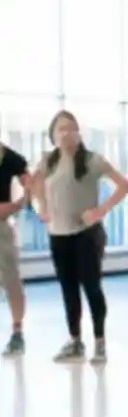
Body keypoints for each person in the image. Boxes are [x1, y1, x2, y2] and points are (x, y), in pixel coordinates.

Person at [28, 111, 128, 364]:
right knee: (68, 289)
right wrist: (41, 205)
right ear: (53, 135)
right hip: (59, 234)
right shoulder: (47, 161)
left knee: (91, 287)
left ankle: (99, 342)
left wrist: (101, 211)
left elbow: (125, 185)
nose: (66, 133)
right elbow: (33, 184)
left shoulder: (92, 160)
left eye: (70, 128)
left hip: (87, 235)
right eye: (60, 129)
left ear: (78, 133)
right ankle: (75, 341)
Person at [0, 142, 32, 357]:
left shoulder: (12, 158)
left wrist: (16, 205)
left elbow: (32, 188)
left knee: (11, 279)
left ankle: (17, 332)